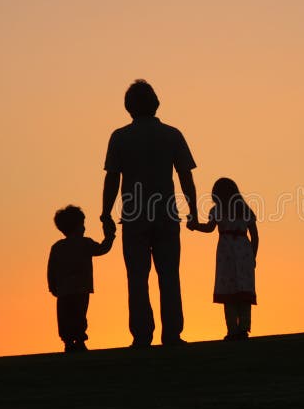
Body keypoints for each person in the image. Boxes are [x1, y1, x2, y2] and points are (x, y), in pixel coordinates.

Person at [101, 80, 199, 347]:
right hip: (166, 214)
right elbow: (185, 176)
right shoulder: (172, 134)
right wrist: (194, 211)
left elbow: (112, 179)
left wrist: (105, 213)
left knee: (137, 278)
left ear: (128, 107)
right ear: (155, 103)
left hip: (134, 217)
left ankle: (142, 335)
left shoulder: (120, 137)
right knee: (169, 276)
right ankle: (172, 334)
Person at [188, 177, 259, 340]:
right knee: (243, 291)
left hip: (226, 253)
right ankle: (243, 328)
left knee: (229, 291)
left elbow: (209, 228)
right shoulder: (245, 210)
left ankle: (233, 329)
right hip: (243, 252)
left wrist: (195, 226)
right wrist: (253, 255)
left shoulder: (218, 210)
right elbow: (254, 235)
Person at [47, 205, 115, 352]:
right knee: (79, 315)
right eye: (82, 224)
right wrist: (110, 236)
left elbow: (51, 270)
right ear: (77, 226)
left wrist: (52, 286)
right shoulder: (85, 243)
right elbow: (102, 249)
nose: (84, 228)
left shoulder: (57, 247)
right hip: (81, 289)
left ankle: (68, 342)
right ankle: (79, 340)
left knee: (65, 317)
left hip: (64, 290)